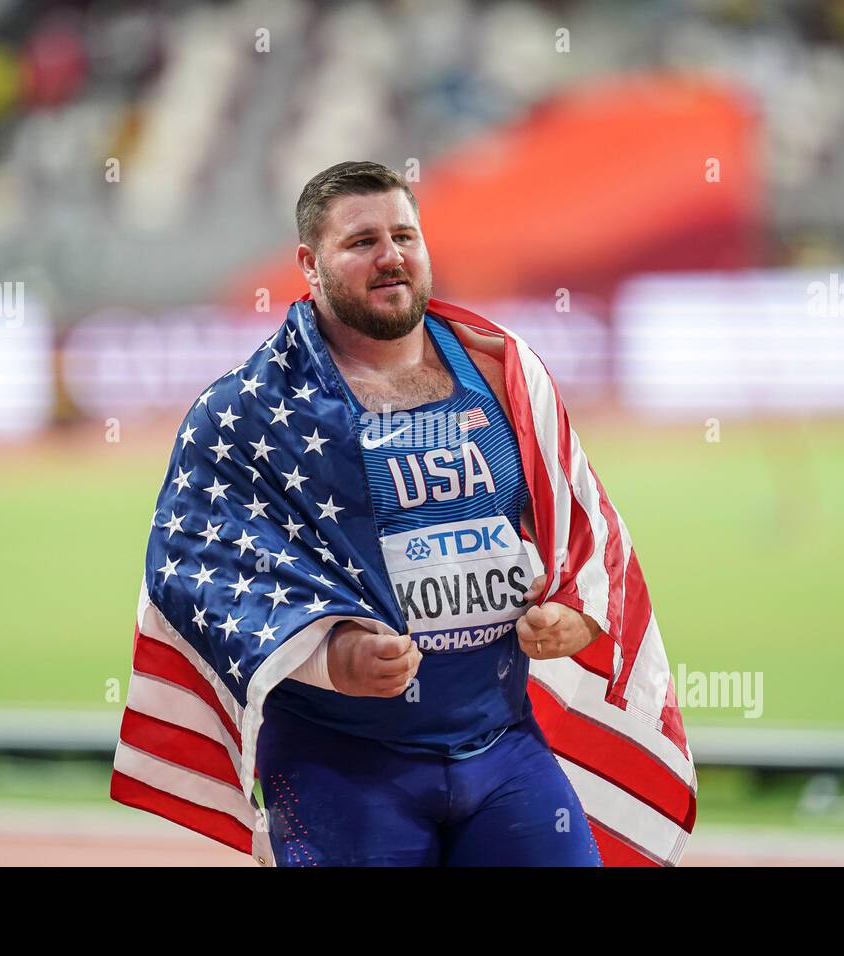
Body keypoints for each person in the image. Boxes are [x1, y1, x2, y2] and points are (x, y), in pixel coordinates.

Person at [110, 160, 695, 869]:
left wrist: (578, 612)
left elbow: (581, 519)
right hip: (341, 765)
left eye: (404, 235)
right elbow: (195, 570)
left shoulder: (504, 371)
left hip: (502, 746)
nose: (390, 257)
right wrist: (330, 657)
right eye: (361, 242)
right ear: (310, 264)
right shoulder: (243, 413)